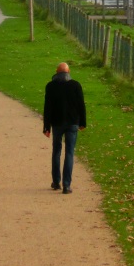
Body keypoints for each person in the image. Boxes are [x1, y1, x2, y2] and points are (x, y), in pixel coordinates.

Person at [42, 62, 87, 194]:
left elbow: (47, 108)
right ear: (68, 72)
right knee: (69, 153)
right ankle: (67, 185)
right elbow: (81, 105)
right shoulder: (76, 85)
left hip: (57, 123)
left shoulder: (50, 86)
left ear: (56, 72)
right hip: (72, 123)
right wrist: (83, 122)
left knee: (56, 152)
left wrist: (46, 126)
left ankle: (56, 182)